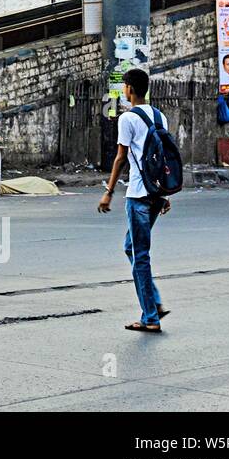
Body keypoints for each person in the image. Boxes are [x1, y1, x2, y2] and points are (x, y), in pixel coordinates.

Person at [98, 67, 171, 333]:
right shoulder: (159, 115)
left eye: (124, 86)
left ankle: (150, 316)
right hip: (155, 193)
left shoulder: (127, 118)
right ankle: (156, 303)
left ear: (129, 88)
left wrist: (109, 191)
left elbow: (120, 158)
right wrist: (163, 194)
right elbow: (163, 159)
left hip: (139, 194)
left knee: (139, 255)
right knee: (131, 248)